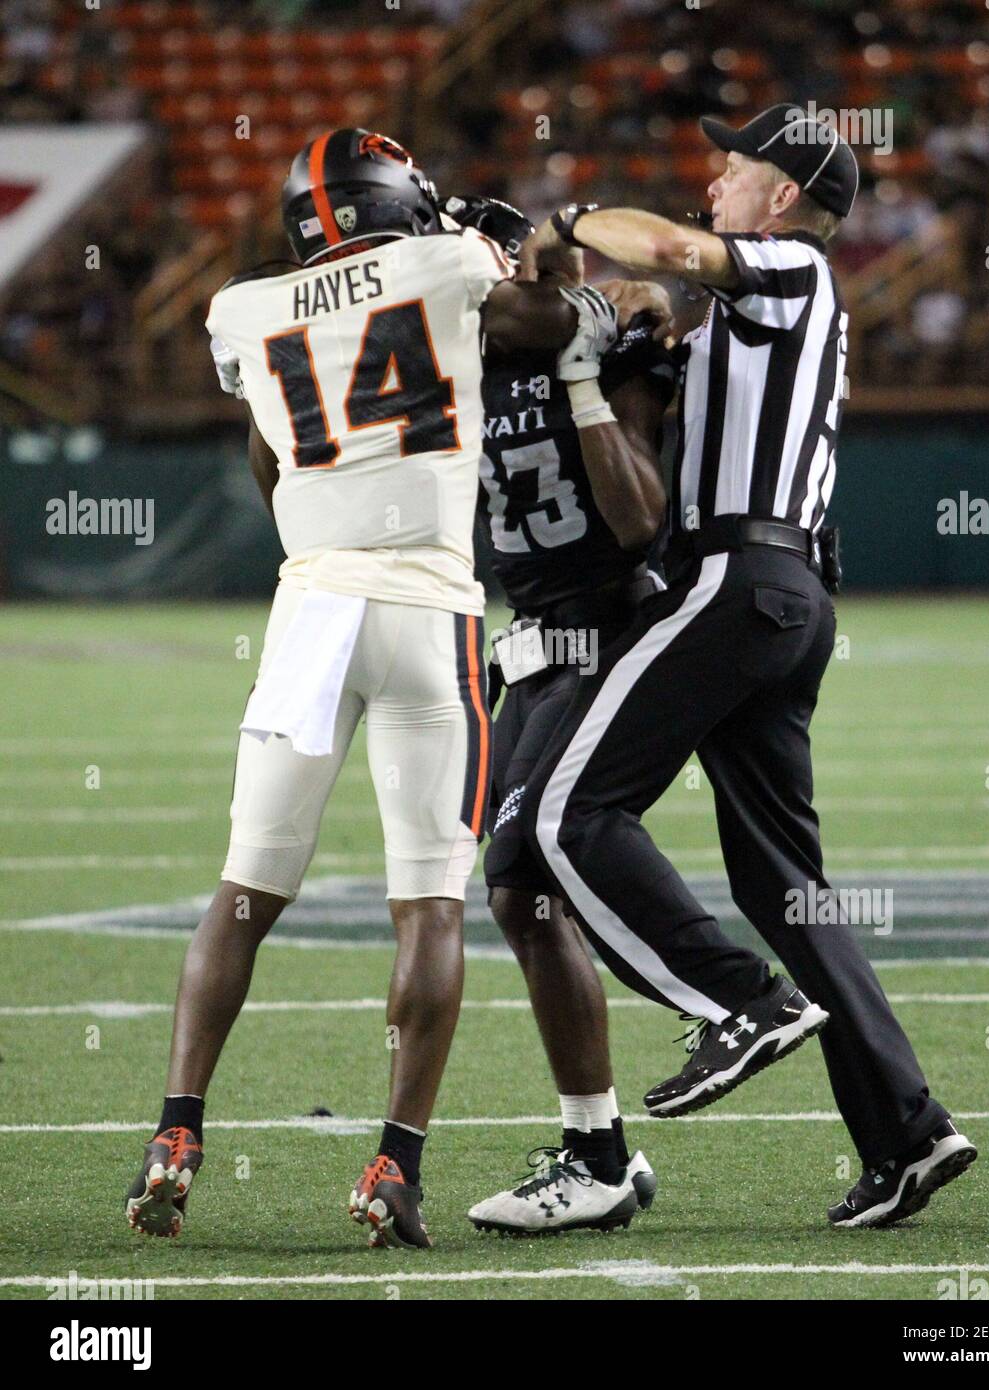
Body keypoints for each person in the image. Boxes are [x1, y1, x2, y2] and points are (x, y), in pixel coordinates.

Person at [123, 128, 623, 1251]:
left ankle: (175, 1131)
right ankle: (392, 1163)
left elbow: (270, 459)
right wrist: (505, 247)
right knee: (429, 903)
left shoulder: (241, 309)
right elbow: (547, 327)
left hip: (309, 611)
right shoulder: (445, 262)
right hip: (425, 611)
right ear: (397, 196)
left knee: (244, 890)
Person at [518, 105, 978, 1229]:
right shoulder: (763, 301)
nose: (712, 180)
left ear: (781, 197)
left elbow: (672, 250)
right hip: (778, 596)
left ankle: (735, 1006)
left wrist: (569, 220)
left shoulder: (789, 266)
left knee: (558, 813)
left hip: (737, 581)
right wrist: (637, 320)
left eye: (732, 168)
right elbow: (671, 299)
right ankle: (906, 1130)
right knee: (788, 890)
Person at [439, 194, 674, 1234]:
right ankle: (599, 1146)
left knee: (529, 862)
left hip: (613, 625)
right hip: (529, 643)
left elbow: (634, 519)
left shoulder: (597, 329)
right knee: (517, 890)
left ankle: (607, 1141)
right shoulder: (442, 360)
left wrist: (592, 341)